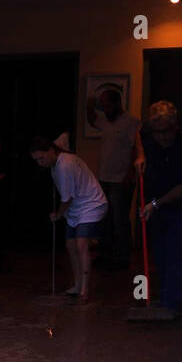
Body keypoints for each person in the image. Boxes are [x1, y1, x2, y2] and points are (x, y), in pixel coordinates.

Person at [137, 101, 182, 320]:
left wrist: (155, 204)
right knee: (160, 253)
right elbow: (138, 135)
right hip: (156, 205)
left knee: (176, 252)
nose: (162, 137)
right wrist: (141, 155)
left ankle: (171, 304)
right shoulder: (148, 135)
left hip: (180, 205)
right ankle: (163, 298)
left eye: (166, 132)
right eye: (157, 133)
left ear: (175, 127)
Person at [29, 133, 107, 304]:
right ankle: (78, 284)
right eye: (36, 160)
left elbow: (67, 198)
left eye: (41, 158)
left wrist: (57, 215)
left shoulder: (65, 165)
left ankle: (84, 291)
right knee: (70, 245)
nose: (40, 163)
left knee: (81, 243)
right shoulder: (56, 158)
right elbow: (63, 137)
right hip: (76, 207)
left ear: (50, 151)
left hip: (91, 203)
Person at [86, 89, 145, 267]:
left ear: (118, 104)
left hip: (122, 179)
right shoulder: (105, 121)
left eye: (108, 106)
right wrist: (89, 103)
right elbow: (92, 119)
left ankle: (122, 256)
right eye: (103, 106)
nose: (105, 109)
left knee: (120, 219)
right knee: (105, 217)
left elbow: (136, 148)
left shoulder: (131, 123)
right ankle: (105, 253)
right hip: (104, 177)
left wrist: (130, 174)